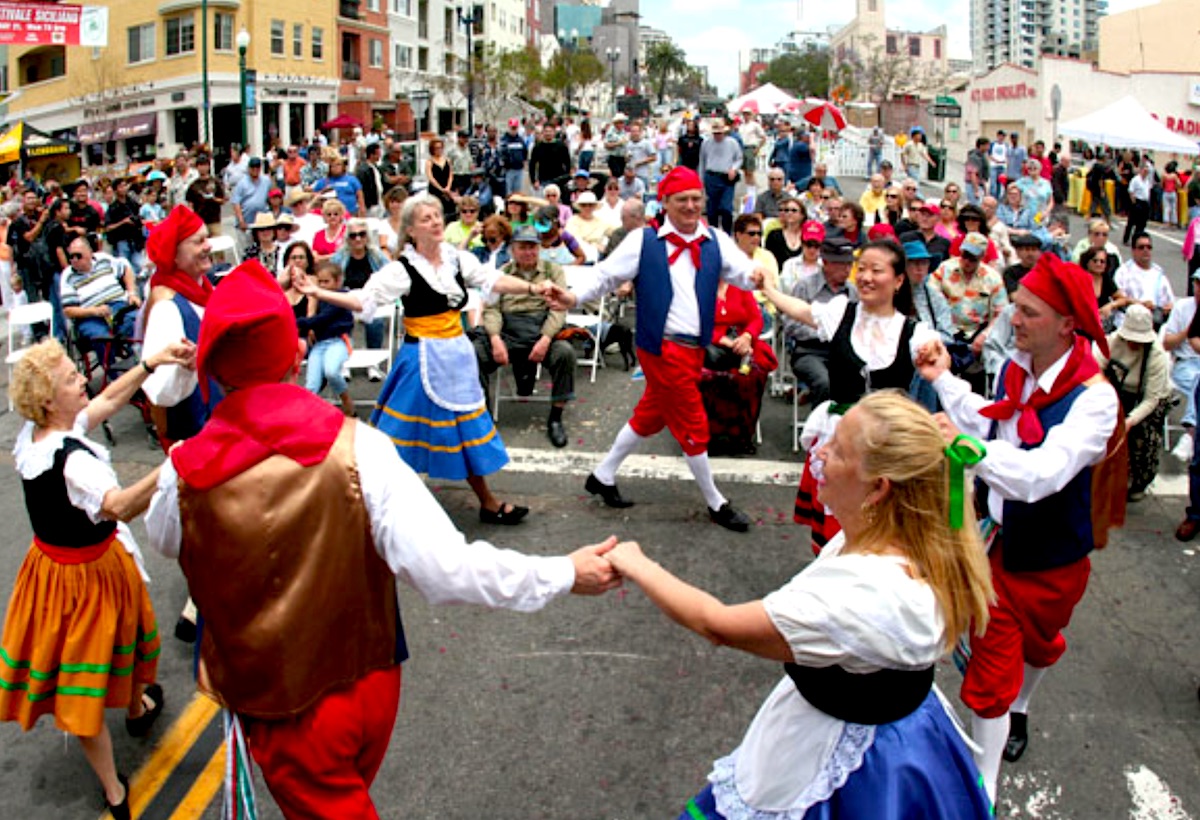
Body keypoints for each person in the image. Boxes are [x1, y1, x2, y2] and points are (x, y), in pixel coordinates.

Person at [143, 261, 620, 819]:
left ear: (214, 368)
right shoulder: (360, 449)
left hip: (278, 707)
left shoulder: (183, 473)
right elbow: (448, 569)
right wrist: (563, 572)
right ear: (295, 354)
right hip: (370, 684)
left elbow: (167, 539)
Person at [607, 391, 993, 820]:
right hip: (903, 725)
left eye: (839, 450)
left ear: (879, 488)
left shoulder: (861, 594)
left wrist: (637, 564)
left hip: (858, 756)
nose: (820, 452)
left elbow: (716, 623)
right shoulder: (915, 533)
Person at [915, 252, 1120, 807]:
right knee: (988, 679)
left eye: (1028, 311)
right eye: (1015, 306)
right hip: (999, 550)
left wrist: (962, 446)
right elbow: (994, 418)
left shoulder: (1095, 399)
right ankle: (984, 795)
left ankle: (1022, 708)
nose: (1012, 317)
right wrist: (946, 383)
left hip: (1056, 560)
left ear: (1067, 325)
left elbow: (1040, 474)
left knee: (1042, 647)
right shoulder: (1015, 368)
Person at [1, 336, 193, 819]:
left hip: (51, 569)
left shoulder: (36, 435)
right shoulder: (75, 462)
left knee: (115, 648)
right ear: (48, 400)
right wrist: (175, 466)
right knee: (86, 678)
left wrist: (152, 362)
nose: (82, 378)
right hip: (88, 577)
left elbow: (107, 400)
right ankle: (115, 789)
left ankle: (132, 714)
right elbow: (120, 506)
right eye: (71, 378)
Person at [542, 167, 768, 532]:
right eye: (682, 200)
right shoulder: (642, 241)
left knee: (652, 413)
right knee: (694, 422)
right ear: (665, 203)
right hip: (661, 347)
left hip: (694, 348)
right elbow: (605, 276)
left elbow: (741, 272)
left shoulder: (716, 239)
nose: (691, 206)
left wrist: (754, 275)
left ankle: (602, 475)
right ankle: (715, 501)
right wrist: (573, 296)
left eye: (696, 198)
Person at [297, 194, 545, 524]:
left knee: (463, 431)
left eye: (438, 215)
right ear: (411, 230)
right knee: (397, 439)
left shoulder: (457, 259)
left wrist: (533, 289)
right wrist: (317, 292)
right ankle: (368, 503)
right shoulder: (401, 270)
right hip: (421, 361)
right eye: (427, 218)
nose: (436, 221)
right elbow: (362, 300)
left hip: (456, 358)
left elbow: (493, 280)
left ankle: (487, 501)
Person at [762, 240, 929, 553]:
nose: (865, 277)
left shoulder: (914, 333)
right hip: (839, 440)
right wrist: (769, 289)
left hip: (882, 445)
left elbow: (938, 369)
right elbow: (802, 311)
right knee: (832, 531)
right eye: (861, 268)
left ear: (898, 280)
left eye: (875, 270)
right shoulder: (842, 312)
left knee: (875, 532)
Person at [474, 225, 577, 448]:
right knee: (475, 354)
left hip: (541, 328)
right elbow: (492, 309)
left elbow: (559, 309)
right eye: (523, 247)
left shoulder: (553, 271)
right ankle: (483, 421)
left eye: (533, 247)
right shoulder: (503, 273)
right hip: (508, 329)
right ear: (512, 249)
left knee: (565, 354)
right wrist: (495, 338)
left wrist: (546, 338)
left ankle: (556, 419)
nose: (529, 252)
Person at [699, 215, 779, 456]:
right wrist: (721, 339)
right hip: (710, 345)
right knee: (710, 378)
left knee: (751, 377)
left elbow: (755, 317)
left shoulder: (739, 285)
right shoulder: (697, 286)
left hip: (742, 342)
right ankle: (711, 434)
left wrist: (746, 337)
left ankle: (741, 434)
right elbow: (693, 322)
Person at [1096, 304, 1170, 502]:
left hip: (1149, 398)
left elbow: (1152, 399)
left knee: (1143, 437)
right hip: (1117, 391)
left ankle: (1140, 480)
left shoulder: (1157, 356)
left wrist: (1129, 421)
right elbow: (1095, 370)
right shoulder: (1111, 342)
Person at [60, 236, 141, 369]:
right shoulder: (68, 276)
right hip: (90, 315)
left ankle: (139, 365)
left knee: (136, 323)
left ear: (90, 253)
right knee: (101, 338)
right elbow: (68, 310)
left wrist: (132, 293)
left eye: (78, 256)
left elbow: (125, 267)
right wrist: (94, 311)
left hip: (117, 305)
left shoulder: (104, 259)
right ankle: (114, 375)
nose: (74, 260)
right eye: (71, 257)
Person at [298, 261, 355, 416]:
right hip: (320, 343)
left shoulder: (341, 298)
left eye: (326, 281)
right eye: (320, 282)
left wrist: (297, 322)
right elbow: (312, 316)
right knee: (311, 385)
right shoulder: (317, 298)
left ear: (338, 281)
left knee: (331, 371)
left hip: (339, 341)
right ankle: (307, 417)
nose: (323, 286)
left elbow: (322, 319)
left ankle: (346, 400)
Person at [1162, 275, 1200, 461]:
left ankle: (1191, 434)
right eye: (1198, 283)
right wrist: (1188, 331)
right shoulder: (1183, 307)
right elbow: (1167, 344)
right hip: (1185, 363)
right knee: (1197, 380)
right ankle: (1192, 431)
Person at [1114, 233, 1173, 328]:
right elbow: (1117, 298)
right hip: (1128, 321)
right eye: (1141, 247)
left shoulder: (1159, 273)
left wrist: (1168, 307)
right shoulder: (1123, 272)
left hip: (1154, 322)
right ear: (1133, 250)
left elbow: (1169, 301)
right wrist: (1140, 304)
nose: (1146, 250)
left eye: (1149, 247)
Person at [698, 120, 742, 234]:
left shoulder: (732, 143)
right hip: (711, 176)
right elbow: (702, 162)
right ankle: (714, 232)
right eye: (715, 133)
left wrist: (734, 168)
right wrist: (700, 181)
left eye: (720, 133)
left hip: (726, 177)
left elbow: (739, 158)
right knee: (712, 209)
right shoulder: (706, 143)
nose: (718, 136)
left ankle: (727, 232)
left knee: (726, 208)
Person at [232, 157, 273, 236]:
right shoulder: (242, 183)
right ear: (248, 168)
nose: (255, 169)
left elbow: (271, 197)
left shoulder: (266, 181)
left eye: (257, 167)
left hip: (261, 223)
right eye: (253, 167)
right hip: (246, 223)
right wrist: (241, 221)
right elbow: (236, 203)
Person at [763, 193, 805, 271]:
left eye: (794, 210)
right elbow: (768, 260)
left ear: (802, 215)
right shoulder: (774, 235)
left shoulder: (807, 235)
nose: (789, 213)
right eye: (786, 210)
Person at [529, 123, 571, 191]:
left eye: (550, 131)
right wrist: (534, 181)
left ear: (554, 132)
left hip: (559, 179)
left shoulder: (561, 146)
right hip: (543, 180)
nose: (548, 133)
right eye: (546, 131)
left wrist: (566, 177)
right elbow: (532, 164)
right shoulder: (538, 147)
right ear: (543, 132)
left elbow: (567, 162)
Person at [1123, 161, 1153, 245]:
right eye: (1144, 170)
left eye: (1147, 171)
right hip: (1137, 201)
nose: (1146, 172)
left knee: (1142, 223)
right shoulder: (1136, 180)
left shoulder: (1147, 181)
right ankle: (1126, 238)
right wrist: (1134, 203)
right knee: (1131, 222)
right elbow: (1131, 191)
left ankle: (1136, 239)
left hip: (1145, 202)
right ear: (1141, 170)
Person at [311, 197, 347, 261]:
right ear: (324, 217)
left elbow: (346, 253)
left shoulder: (347, 231)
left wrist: (323, 257)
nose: (332, 217)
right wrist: (334, 256)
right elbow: (314, 256)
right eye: (329, 214)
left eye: (336, 214)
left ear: (341, 215)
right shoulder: (318, 234)